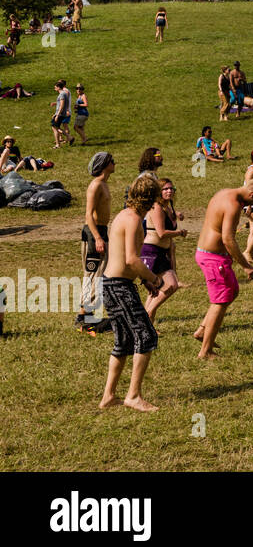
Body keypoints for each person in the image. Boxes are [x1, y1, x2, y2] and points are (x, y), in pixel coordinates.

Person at [98, 173, 164, 411]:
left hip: (111, 283)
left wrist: (143, 281)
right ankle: (133, 395)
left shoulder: (124, 215)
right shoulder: (134, 219)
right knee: (146, 336)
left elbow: (124, 260)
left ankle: (108, 396)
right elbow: (131, 259)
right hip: (119, 287)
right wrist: (153, 277)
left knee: (123, 341)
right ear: (151, 199)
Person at [193, 181, 253, 358]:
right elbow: (227, 239)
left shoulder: (224, 192)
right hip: (213, 257)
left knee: (231, 291)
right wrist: (246, 266)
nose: (251, 207)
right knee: (221, 300)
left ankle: (203, 331)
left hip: (211, 255)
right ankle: (205, 351)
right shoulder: (233, 205)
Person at [77, 152, 116, 334]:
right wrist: (98, 238)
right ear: (103, 164)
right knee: (94, 275)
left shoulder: (104, 184)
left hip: (101, 231)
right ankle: (87, 319)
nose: (114, 163)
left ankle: (85, 314)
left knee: (96, 274)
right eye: (111, 161)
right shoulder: (95, 185)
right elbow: (88, 215)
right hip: (94, 234)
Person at [142, 178, 189, 323]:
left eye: (171, 188)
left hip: (160, 252)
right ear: (159, 192)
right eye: (165, 189)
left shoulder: (168, 208)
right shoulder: (156, 207)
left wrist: (177, 215)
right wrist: (179, 233)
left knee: (156, 290)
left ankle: (147, 323)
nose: (169, 191)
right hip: (151, 251)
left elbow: (170, 221)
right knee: (171, 285)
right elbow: (161, 232)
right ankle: (150, 312)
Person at [50, 79, 72, 148]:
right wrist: (55, 114)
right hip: (60, 113)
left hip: (61, 114)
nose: (54, 88)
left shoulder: (62, 94)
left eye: (55, 87)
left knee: (55, 128)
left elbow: (62, 105)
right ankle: (69, 137)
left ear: (59, 87)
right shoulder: (63, 93)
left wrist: (57, 114)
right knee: (55, 127)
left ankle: (58, 144)